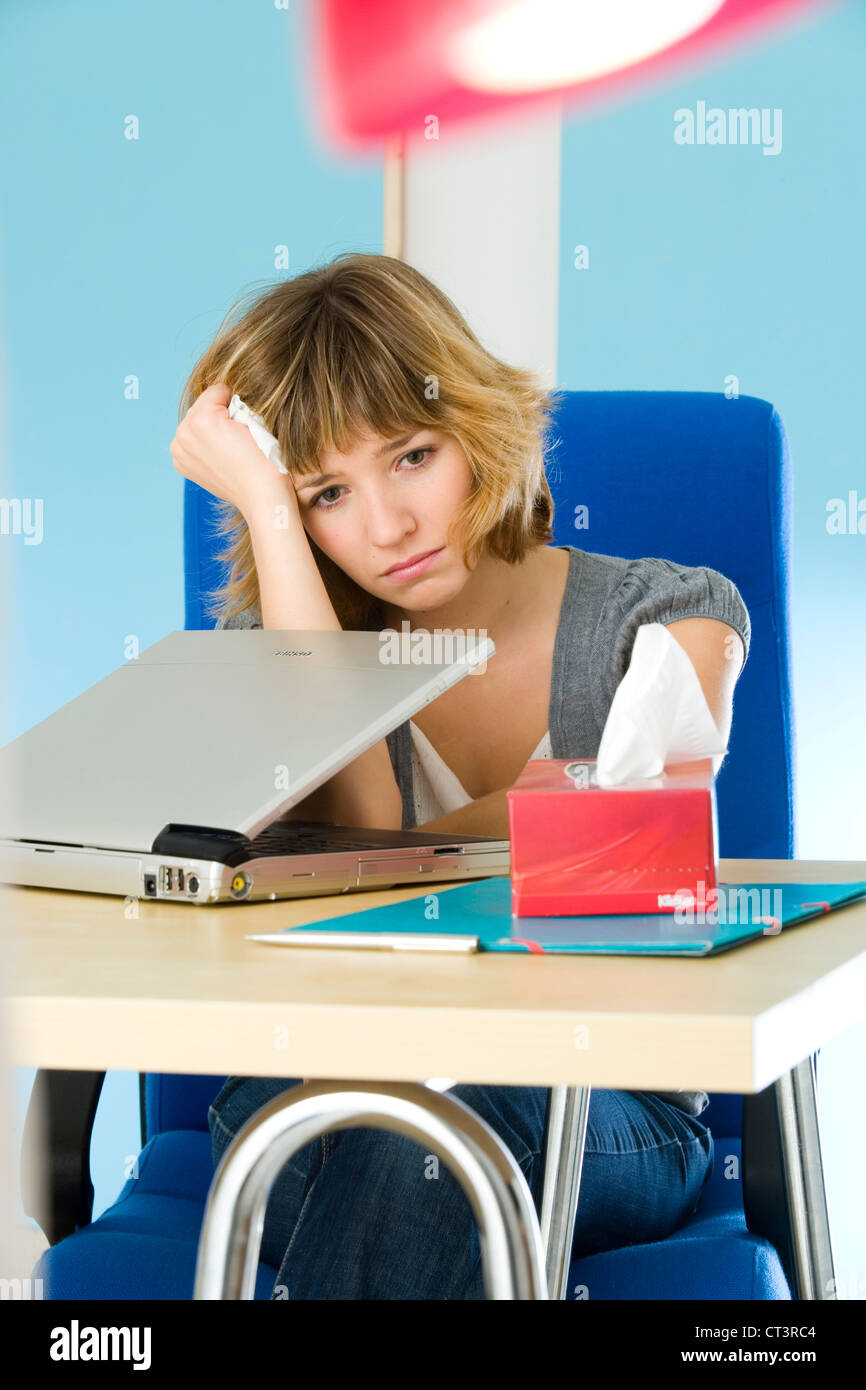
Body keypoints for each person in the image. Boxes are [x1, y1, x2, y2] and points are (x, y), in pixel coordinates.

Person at [170, 252, 750, 1300]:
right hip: (320, 1088)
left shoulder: (669, 616)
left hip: (598, 1103)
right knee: (396, 1133)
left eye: (412, 456)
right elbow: (369, 832)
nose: (386, 528)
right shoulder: (288, 652)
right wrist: (267, 510)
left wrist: (407, 850)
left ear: (476, 424)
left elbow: (619, 827)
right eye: (325, 495)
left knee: (429, 1132)